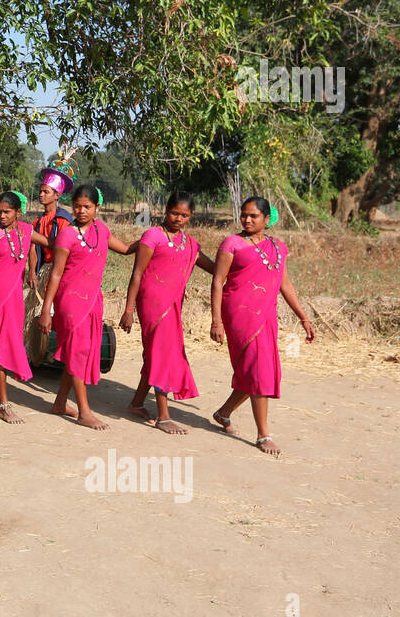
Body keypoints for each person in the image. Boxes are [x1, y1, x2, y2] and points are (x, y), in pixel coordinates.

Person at [210, 196, 315, 456]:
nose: (246, 219)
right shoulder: (232, 243)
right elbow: (217, 282)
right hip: (239, 315)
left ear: (267, 219)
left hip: (266, 316)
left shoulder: (278, 247)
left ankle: (223, 414)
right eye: (244, 214)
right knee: (258, 371)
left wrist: (303, 317)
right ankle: (263, 434)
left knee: (256, 371)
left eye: (253, 216)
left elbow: (285, 284)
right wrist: (216, 321)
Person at [37, 184, 137, 429]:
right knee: (78, 352)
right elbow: (56, 275)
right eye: (78, 206)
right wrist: (45, 310)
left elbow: (125, 250)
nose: (81, 211)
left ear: (97, 208)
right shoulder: (67, 235)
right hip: (70, 302)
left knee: (77, 352)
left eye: (87, 207)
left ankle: (60, 402)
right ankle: (84, 411)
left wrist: (149, 240)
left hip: (93, 301)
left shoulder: (101, 230)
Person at [119, 191, 215, 434]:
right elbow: (137, 274)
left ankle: (136, 403)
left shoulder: (190, 244)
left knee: (155, 353)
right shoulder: (153, 236)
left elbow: (213, 268)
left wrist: (238, 267)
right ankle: (163, 416)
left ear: (191, 216)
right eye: (174, 213)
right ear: (165, 210)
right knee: (162, 355)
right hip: (152, 305)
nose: (178, 219)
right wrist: (129, 309)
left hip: (173, 306)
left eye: (184, 215)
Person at [0, 192, 51, 423]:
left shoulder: (26, 231)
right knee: (0, 347)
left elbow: (50, 243)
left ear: (18, 212)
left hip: (15, 297)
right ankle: (4, 405)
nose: (1, 215)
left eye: (7, 212)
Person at [24, 159, 75, 365]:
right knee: (33, 308)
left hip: (58, 270)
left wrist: (39, 239)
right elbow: (32, 248)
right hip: (43, 269)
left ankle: (53, 351)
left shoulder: (63, 220)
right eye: (41, 190)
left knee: (52, 309)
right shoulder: (37, 221)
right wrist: (32, 271)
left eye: (46, 191)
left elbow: (63, 247)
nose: (41, 194)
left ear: (57, 195)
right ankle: (32, 350)